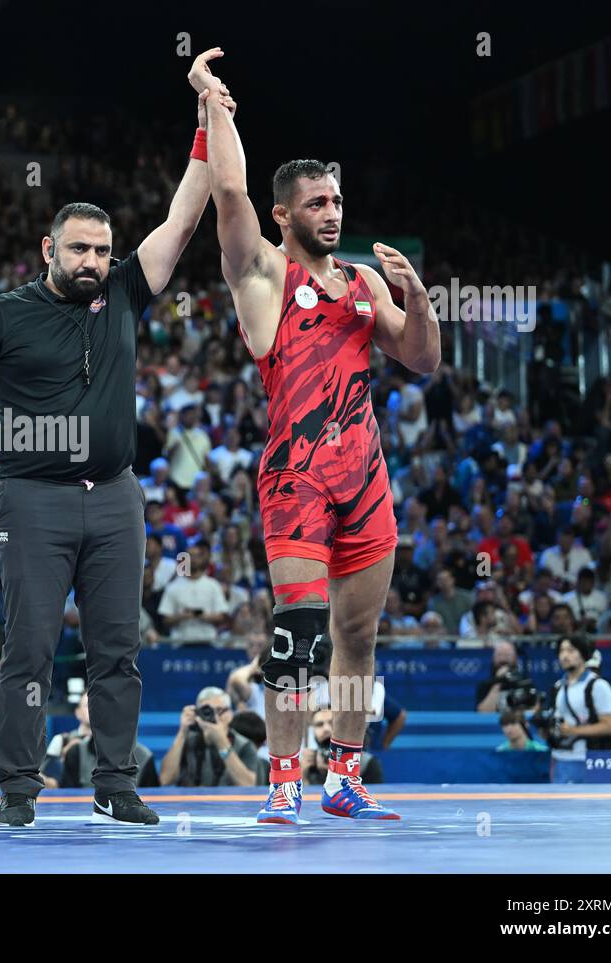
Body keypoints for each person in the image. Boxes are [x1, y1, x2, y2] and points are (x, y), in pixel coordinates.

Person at [0, 56, 235, 828]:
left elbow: (184, 217)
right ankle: (18, 787)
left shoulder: (128, 291)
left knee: (118, 648)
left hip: (117, 498)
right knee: (27, 647)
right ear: (48, 249)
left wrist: (206, 120)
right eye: (80, 251)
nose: (94, 263)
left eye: (103, 251)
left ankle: (115, 780)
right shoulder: (2, 316)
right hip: (31, 499)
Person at [204, 58, 441, 822]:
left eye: (338, 199)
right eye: (316, 202)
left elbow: (422, 360)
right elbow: (229, 192)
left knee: (357, 638)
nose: (333, 211)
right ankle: (282, 779)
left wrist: (418, 299)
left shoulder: (365, 282)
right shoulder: (264, 275)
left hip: (365, 477)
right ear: (284, 214)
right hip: (296, 477)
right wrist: (216, 109)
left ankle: (342, 774)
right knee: (298, 633)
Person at [45, 692, 159, 791]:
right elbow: (65, 797)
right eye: (90, 706)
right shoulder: (74, 752)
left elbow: (154, 799)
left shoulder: (144, 757)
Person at [547, 635, 611, 783]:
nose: (565, 655)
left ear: (583, 654)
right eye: (562, 651)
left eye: (571, 650)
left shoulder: (598, 686)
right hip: (559, 759)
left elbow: (610, 726)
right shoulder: (558, 686)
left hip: (587, 760)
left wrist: (573, 731)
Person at [159, 686, 260, 787]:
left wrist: (221, 742)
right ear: (197, 713)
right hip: (191, 801)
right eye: (207, 712)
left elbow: (248, 784)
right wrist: (182, 733)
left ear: (230, 714)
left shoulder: (244, 745)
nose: (214, 717)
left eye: (219, 710)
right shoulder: (187, 741)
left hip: (229, 802)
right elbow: (165, 780)